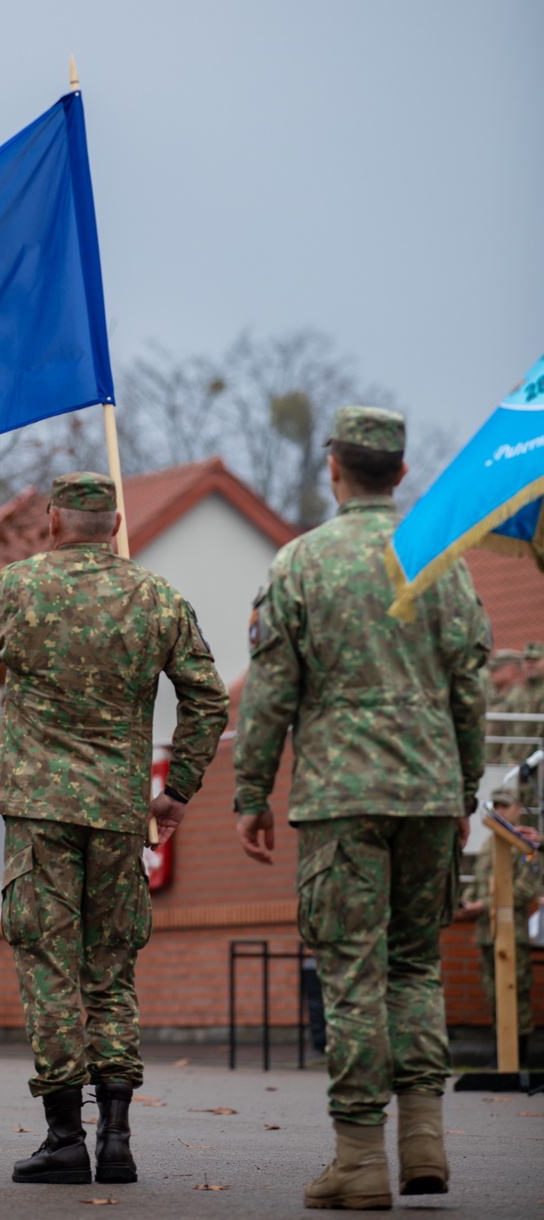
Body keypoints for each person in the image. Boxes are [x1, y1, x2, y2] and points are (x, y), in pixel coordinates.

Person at [234, 407, 490, 1209]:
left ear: (334, 469)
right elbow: (472, 688)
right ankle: (423, 1143)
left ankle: (358, 1160)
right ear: (402, 472)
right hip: (428, 791)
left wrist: (250, 793)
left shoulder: (300, 563)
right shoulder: (443, 560)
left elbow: (271, 693)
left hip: (340, 798)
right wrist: (464, 790)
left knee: (351, 973)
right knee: (416, 967)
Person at [0, 471, 230, 1186]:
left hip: (39, 811)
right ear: (116, 523)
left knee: (50, 967)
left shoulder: (19, 586)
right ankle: (116, 1136)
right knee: (112, 968)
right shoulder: (157, 598)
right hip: (120, 810)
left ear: (54, 521)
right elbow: (209, 700)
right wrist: (176, 790)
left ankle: (64, 1137)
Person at [457, 788, 541, 1065]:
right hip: (487, 933)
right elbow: (480, 882)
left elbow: (526, 887)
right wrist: (468, 902)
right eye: (497, 806)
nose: (501, 811)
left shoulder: (526, 847)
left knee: (516, 994)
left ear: (518, 809)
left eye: (507, 806)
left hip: (511, 932)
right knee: (493, 993)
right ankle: (501, 1054)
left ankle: (520, 1055)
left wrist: (485, 905)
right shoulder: (489, 845)